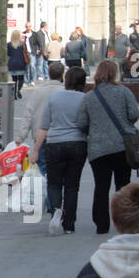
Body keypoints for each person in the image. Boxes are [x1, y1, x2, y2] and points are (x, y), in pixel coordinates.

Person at [76, 60, 139, 236]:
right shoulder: (124, 92)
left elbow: (81, 123)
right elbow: (134, 114)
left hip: (98, 149)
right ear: (115, 74)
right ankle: (126, 221)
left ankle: (101, 225)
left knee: (101, 187)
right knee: (123, 186)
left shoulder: (89, 97)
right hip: (122, 146)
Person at [30, 66, 89, 235]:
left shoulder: (54, 98)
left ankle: (56, 210)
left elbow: (44, 127)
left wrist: (35, 149)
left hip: (54, 143)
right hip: (77, 144)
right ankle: (69, 224)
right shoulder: (84, 99)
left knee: (54, 182)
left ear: (67, 79)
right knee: (72, 185)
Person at [19, 61, 66, 217]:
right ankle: (56, 202)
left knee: (44, 170)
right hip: (60, 136)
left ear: (49, 74)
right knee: (59, 170)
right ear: (62, 75)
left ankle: (49, 201)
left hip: (41, 136)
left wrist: (21, 136)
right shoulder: (64, 90)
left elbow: (28, 114)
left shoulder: (38, 92)